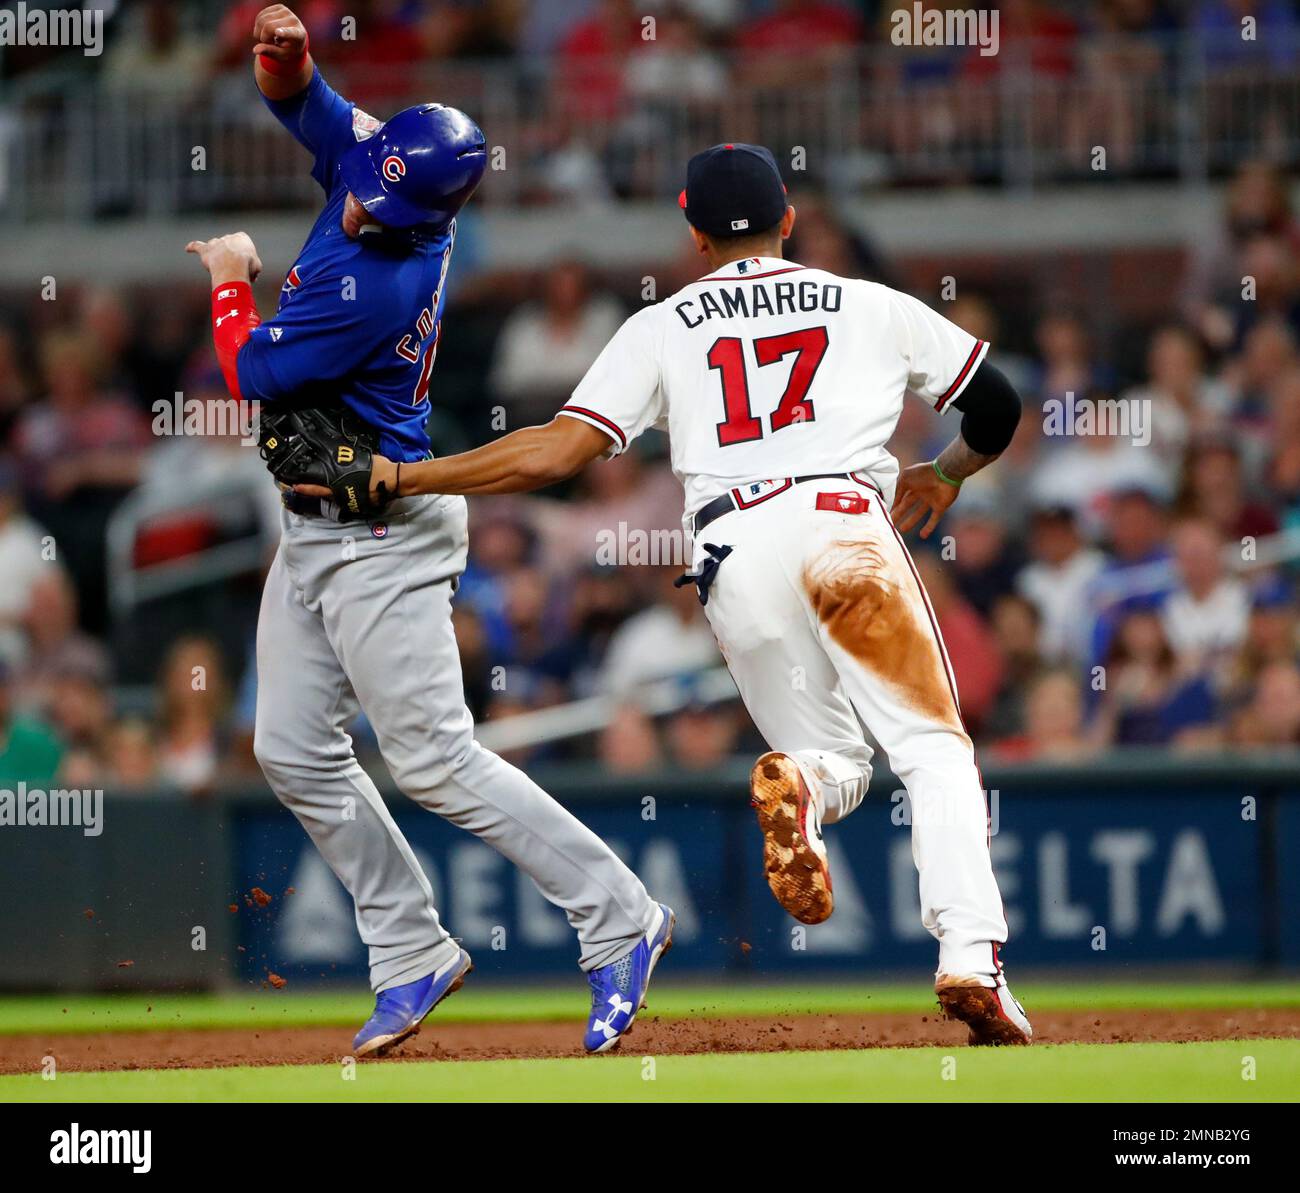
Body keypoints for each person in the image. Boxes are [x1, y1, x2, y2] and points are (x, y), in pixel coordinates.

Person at [314, 143, 1033, 1045]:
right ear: (791, 221)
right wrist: (945, 473)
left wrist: (404, 473)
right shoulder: (868, 301)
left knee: (830, 755)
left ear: (693, 233)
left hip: (731, 544)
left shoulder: (664, 324)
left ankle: (803, 785)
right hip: (844, 521)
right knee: (930, 747)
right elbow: (997, 405)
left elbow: (556, 451)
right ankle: (970, 954)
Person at [183, 5, 672, 1058]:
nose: (359, 207)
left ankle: (620, 914)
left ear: (425, 212)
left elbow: (253, 374)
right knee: (290, 749)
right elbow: (311, 116)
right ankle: (410, 949)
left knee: (434, 760)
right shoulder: (383, 168)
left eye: (381, 203)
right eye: (366, 185)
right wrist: (291, 66)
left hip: (384, 527)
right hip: (318, 524)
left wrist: (230, 281)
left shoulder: (384, 274)